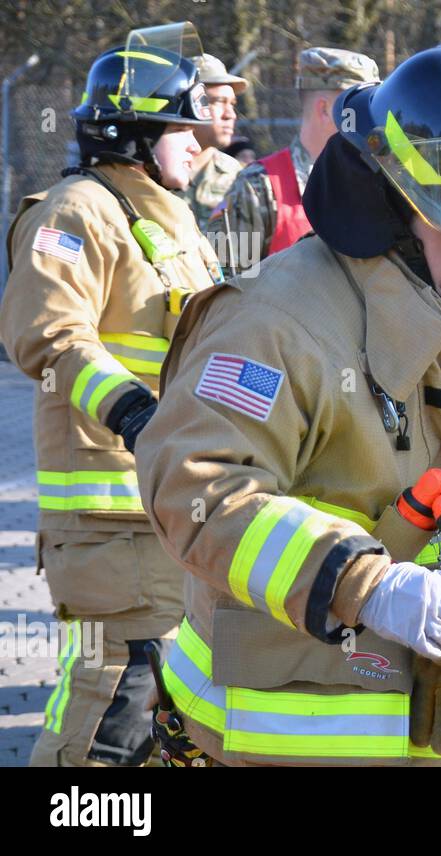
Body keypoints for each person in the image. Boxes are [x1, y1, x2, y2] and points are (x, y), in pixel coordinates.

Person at [134, 42, 441, 767]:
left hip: (412, 726)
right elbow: (195, 487)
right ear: (394, 200)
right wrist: (366, 582)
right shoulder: (274, 321)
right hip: (278, 734)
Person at [0, 22, 223, 767]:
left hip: (169, 516)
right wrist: (134, 411)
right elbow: (47, 337)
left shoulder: (171, 225)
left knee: (171, 717)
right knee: (112, 713)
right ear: (130, 131)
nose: (199, 140)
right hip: (109, 525)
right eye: (179, 125)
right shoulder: (77, 212)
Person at [211, 46, 379, 274]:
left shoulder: (375, 182)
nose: (370, 114)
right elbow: (230, 288)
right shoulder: (259, 186)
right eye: (358, 104)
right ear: (325, 109)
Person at [180, 54, 247, 225]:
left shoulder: (237, 177)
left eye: (232, 103)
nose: (230, 114)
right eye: (218, 101)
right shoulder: (154, 171)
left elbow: (249, 248)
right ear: (188, 104)